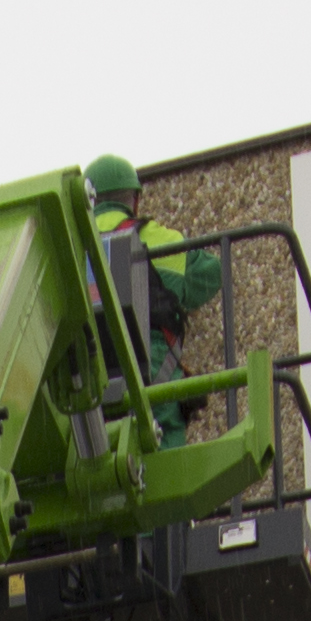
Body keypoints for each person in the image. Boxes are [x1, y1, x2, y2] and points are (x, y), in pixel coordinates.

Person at [84, 155, 229, 426]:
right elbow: (213, 273)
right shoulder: (163, 240)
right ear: (135, 200)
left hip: (85, 389)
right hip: (154, 383)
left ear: (87, 201)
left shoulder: (71, 247)